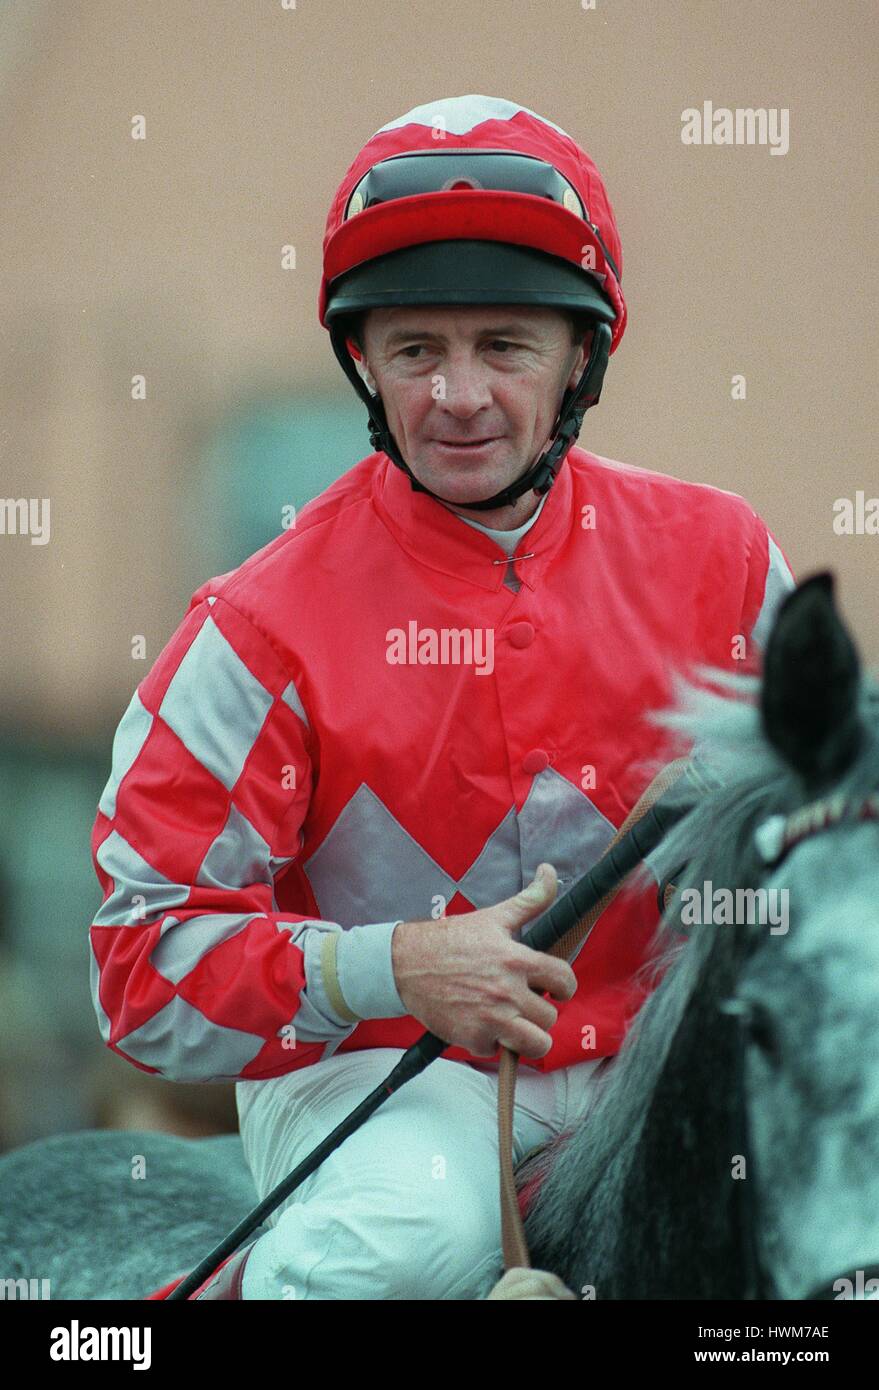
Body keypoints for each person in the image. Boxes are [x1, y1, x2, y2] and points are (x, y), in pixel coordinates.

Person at [88, 94, 796, 1300]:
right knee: (400, 1247)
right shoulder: (251, 630)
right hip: (387, 1073)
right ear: (362, 361)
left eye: (505, 346)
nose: (457, 396)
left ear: (583, 357)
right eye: (417, 348)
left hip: (670, 1059)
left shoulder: (725, 561)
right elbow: (138, 966)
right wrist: (393, 967)